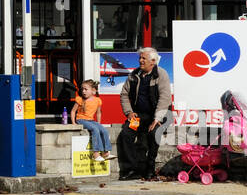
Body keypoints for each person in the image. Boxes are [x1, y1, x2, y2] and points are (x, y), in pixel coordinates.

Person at [117, 46, 172, 180]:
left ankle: (150, 168)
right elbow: (124, 94)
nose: (140, 60)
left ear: (153, 61)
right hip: (139, 116)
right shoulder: (133, 75)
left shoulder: (161, 74)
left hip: (161, 114)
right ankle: (131, 170)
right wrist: (129, 112)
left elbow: (165, 98)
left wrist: (157, 118)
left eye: (143, 58)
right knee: (126, 133)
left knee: (154, 133)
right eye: (140, 58)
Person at [71, 80, 111, 163]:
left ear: (93, 90)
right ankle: (96, 154)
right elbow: (73, 111)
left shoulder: (97, 100)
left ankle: (105, 152)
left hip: (91, 120)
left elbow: (98, 113)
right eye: (82, 89)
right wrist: (73, 123)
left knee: (104, 130)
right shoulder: (80, 99)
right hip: (81, 120)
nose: (83, 91)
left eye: (86, 89)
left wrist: (99, 124)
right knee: (95, 130)